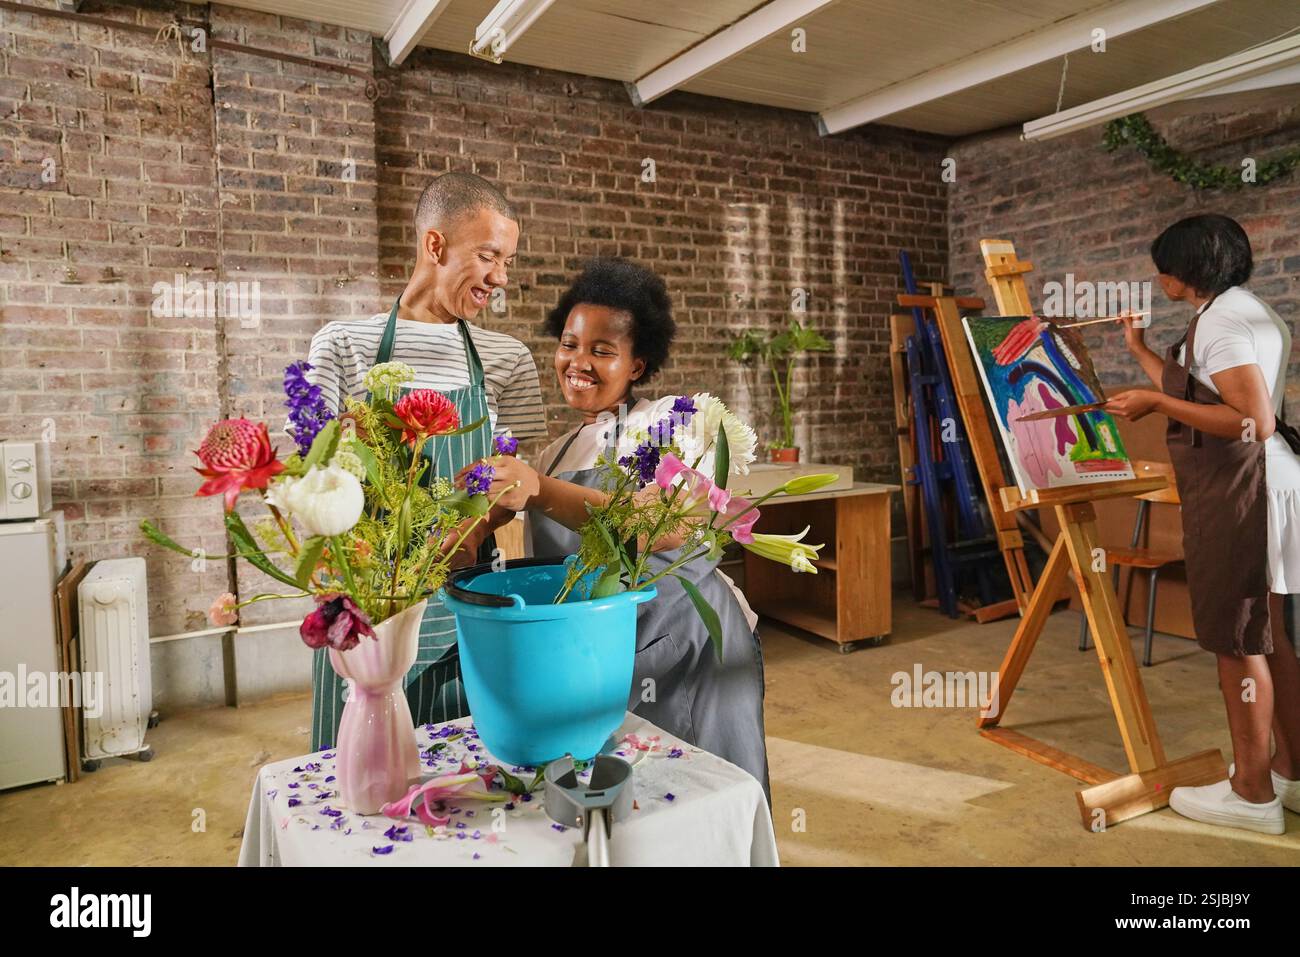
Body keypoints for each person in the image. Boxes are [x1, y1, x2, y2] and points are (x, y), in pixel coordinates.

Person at [459, 258, 772, 797]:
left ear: (636, 364)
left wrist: (541, 490)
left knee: (702, 791)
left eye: (602, 351)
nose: (578, 362)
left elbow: (662, 527)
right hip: (608, 652)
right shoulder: (554, 452)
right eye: (569, 344)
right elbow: (493, 516)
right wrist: (461, 536)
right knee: (634, 797)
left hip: (689, 643)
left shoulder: (671, 422)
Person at [302, 171, 547, 752]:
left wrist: (479, 520)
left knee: (458, 770)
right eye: (487, 255)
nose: (500, 277)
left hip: (464, 601)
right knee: (361, 779)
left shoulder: (507, 358)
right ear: (435, 245)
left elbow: (517, 489)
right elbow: (311, 479)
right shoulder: (343, 345)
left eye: (508, 260)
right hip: (366, 608)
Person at [1106, 213, 1300, 834]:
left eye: (1163, 265)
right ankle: (1290, 772)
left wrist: (1157, 402)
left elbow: (1252, 419)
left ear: (1188, 270)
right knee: (1274, 631)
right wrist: (1138, 350)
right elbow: (1212, 393)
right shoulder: (1251, 310)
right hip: (1276, 484)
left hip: (1248, 489)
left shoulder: (1220, 320)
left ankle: (1250, 794)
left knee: (1234, 634)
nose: (1158, 276)